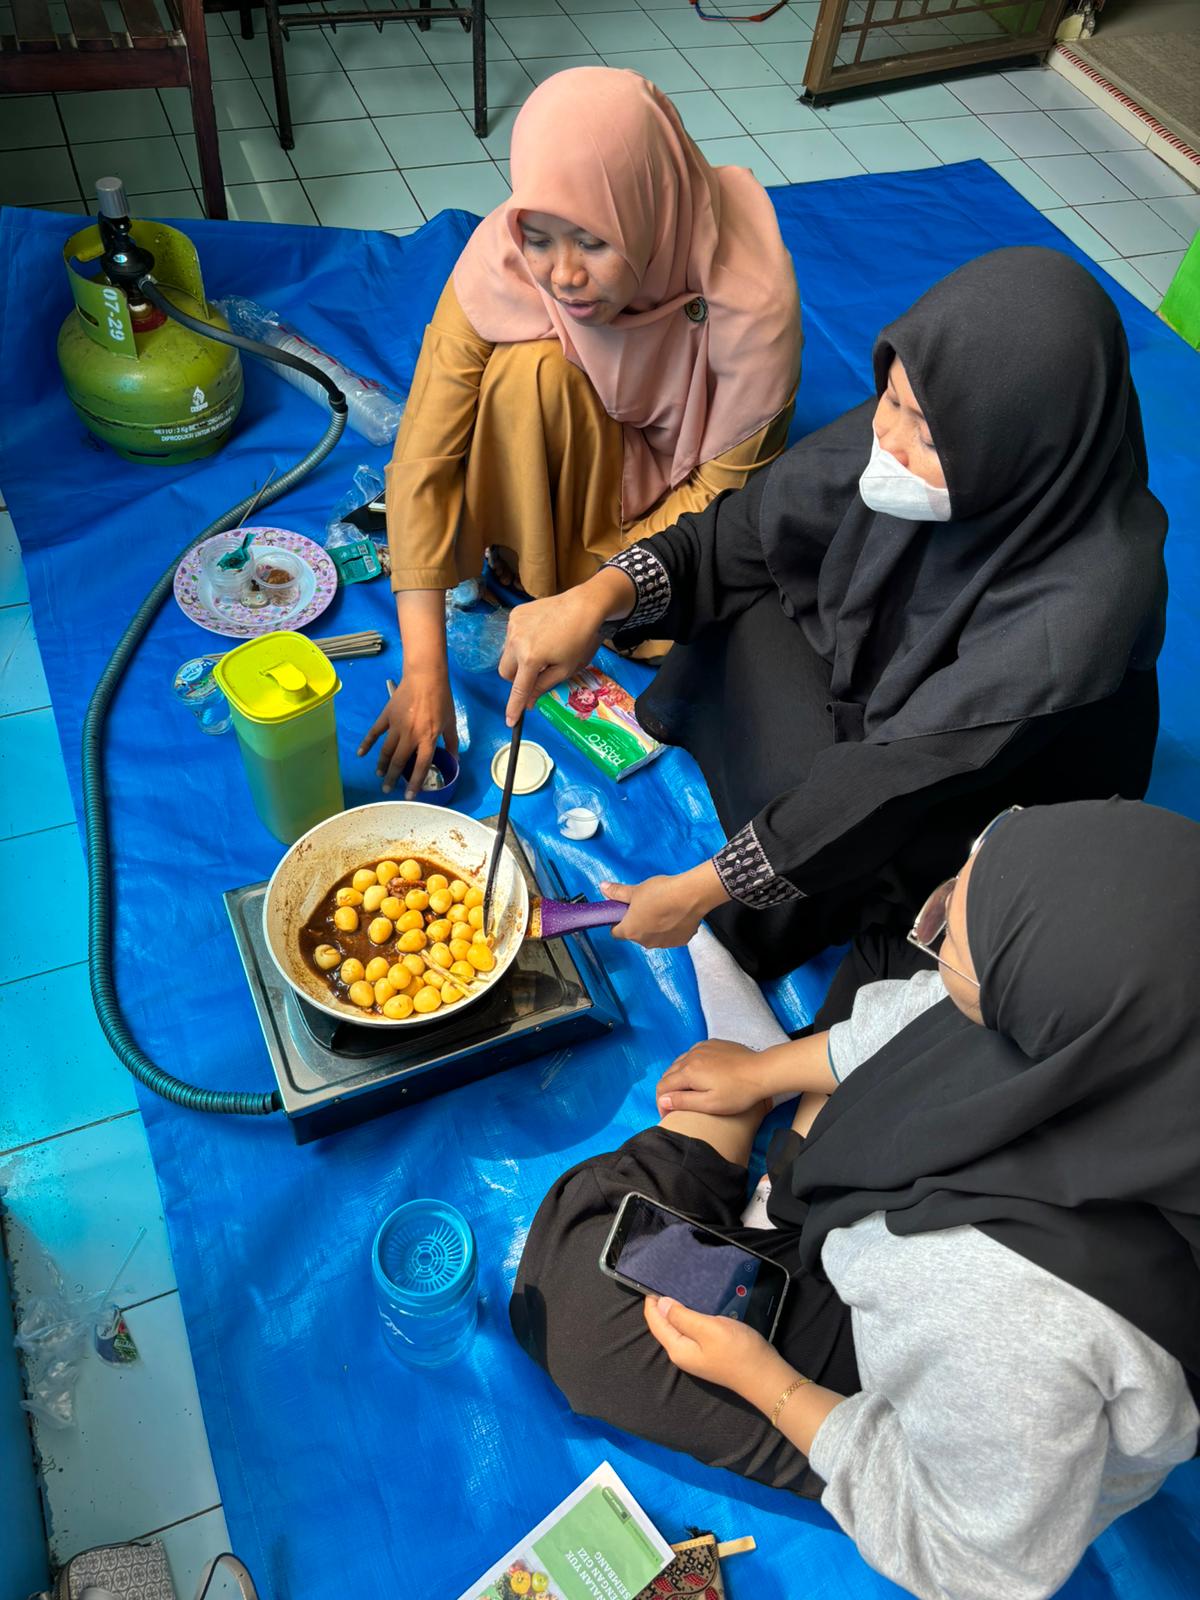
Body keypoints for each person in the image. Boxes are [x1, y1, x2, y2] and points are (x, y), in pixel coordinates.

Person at [510, 799, 1200, 1600]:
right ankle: (773, 1130)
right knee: (886, 982)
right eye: (959, 887)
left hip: (945, 1385)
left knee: (573, 1310)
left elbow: (972, 1563)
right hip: (939, 1267)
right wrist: (764, 1074)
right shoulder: (1143, 1004)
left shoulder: (1007, 1321)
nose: (934, 918)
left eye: (952, 932)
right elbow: (928, 1015)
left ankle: (759, 1183)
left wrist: (770, 1385)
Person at [500, 248, 1168, 979]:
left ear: (1022, 450)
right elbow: (746, 531)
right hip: (894, 684)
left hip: (986, 772)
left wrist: (699, 892)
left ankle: (770, 913)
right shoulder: (929, 416)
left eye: (930, 434)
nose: (887, 437)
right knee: (749, 606)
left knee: (858, 826)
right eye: (891, 398)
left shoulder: (1084, 602)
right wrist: (594, 599)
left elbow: (900, 773)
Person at [359, 66, 801, 795]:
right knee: (525, 374)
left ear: (648, 214)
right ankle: (543, 568)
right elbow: (425, 456)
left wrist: (598, 602)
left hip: (677, 492)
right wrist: (424, 669)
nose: (561, 275)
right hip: (583, 451)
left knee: (719, 596)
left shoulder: (749, 301)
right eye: (540, 237)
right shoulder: (504, 258)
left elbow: (726, 506)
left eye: (592, 243)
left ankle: (575, 588)